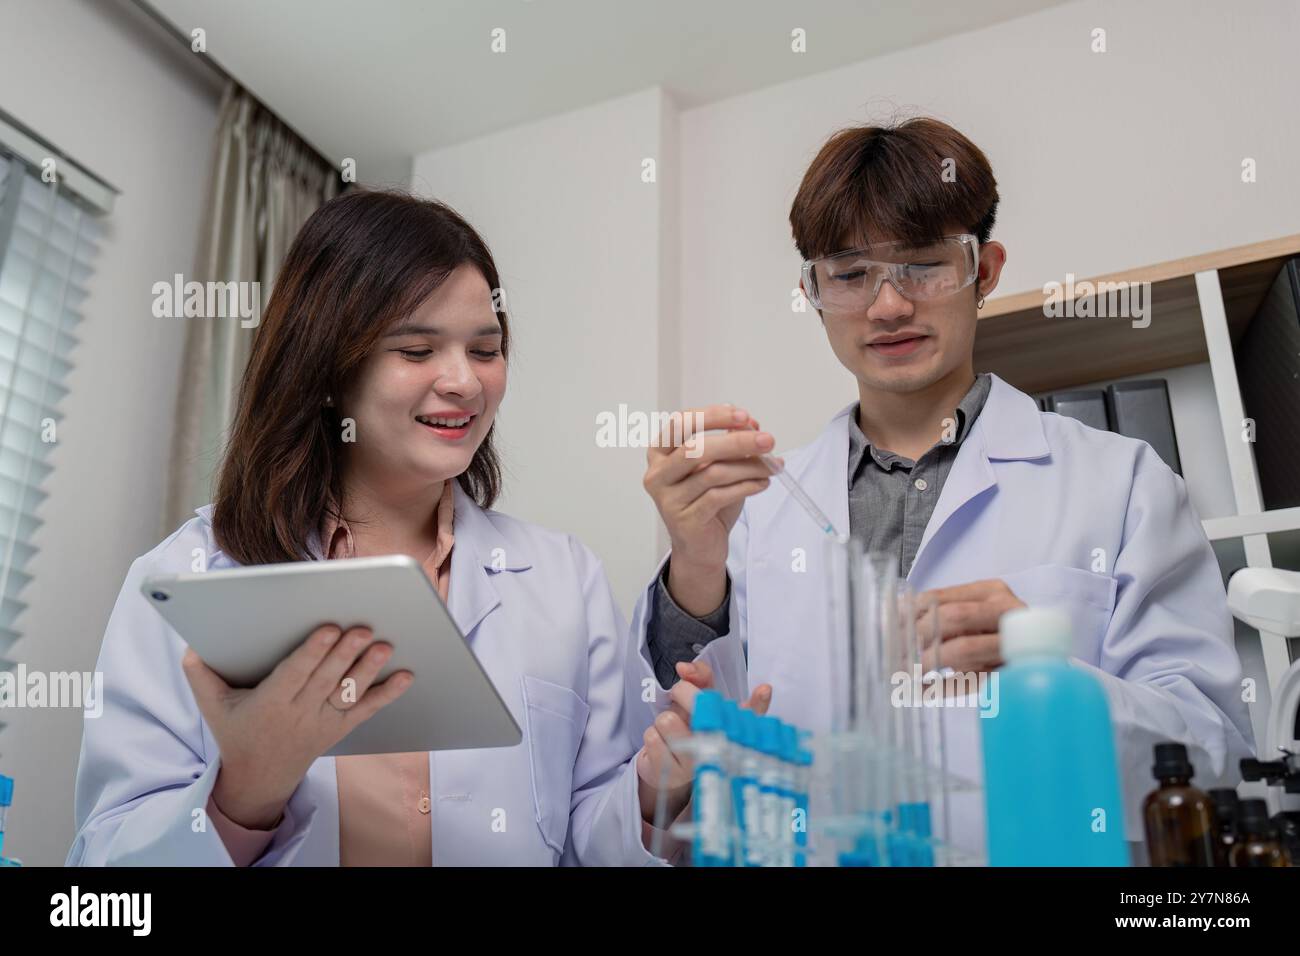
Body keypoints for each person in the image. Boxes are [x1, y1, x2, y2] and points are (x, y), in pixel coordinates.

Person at [631, 117, 1256, 856]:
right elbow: (692, 744)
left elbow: (1217, 761)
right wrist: (693, 559)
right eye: (850, 274)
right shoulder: (761, 512)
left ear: (984, 271)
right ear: (811, 290)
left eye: (924, 264)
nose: (888, 305)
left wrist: (1052, 682)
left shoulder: (1122, 484)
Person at [68, 190, 689, 866]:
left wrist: (655, 788)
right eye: (418, 349)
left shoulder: (564, 579)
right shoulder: (183, 578)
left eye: (485, 350)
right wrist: (245, 791)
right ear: (328, 367)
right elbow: (107, 883)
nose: (464, 382)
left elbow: (590, 835)